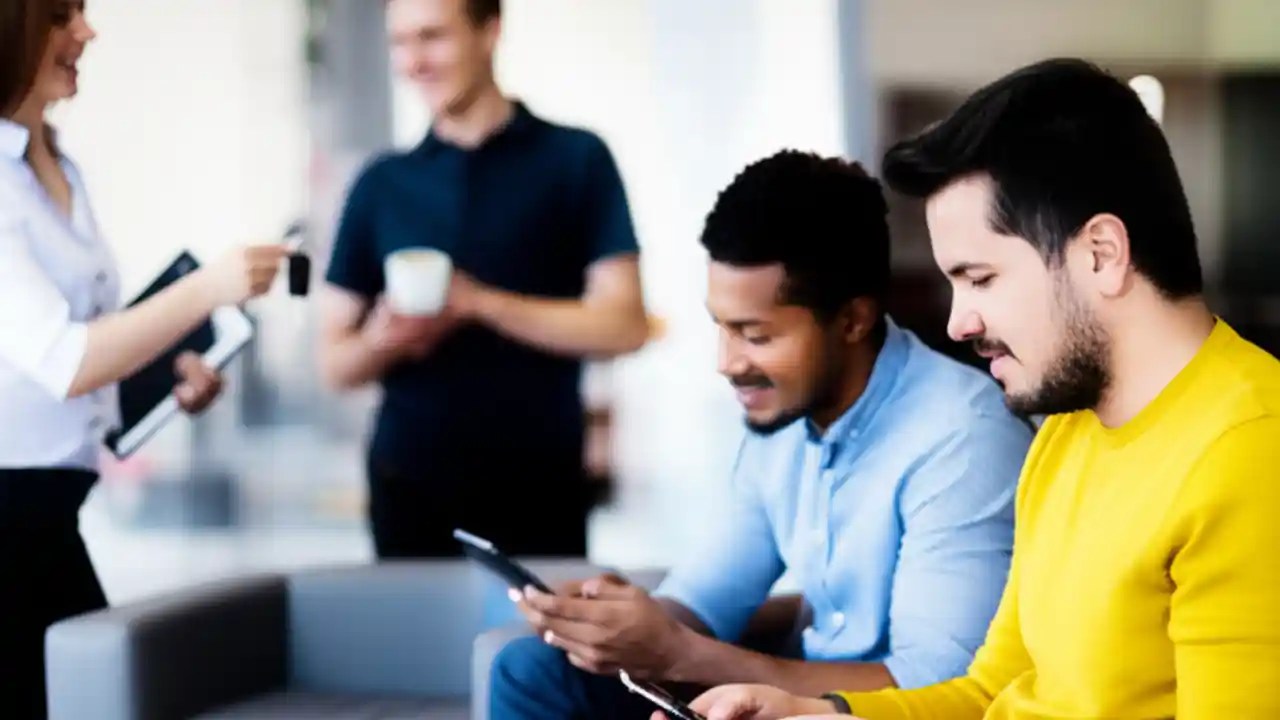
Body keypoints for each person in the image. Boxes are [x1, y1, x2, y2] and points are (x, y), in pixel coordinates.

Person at [672, 59, 1280, 720]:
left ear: (1100, 254)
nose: (960, 322)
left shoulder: (1251, 451)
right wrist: (820, 714)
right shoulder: (1068, 430)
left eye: (981, 278)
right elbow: (990, 692)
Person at [488, 150, 1034, 719]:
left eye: (756, 335)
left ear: (853, 320)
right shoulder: (780, 419)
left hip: (874, 711)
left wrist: (681, 654)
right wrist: (618, 622)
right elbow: (704, 601)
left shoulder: (963, 436)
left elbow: (938, 685)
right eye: (721, 328)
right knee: (533, 669)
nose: (727, 362)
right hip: (789, 688)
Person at [0, 1, 287, 716]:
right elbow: (63, 359)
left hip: (50, 510)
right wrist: (206, 290)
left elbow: (89, 348)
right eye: (63, 15)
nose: (87, 33)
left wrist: (160, 377)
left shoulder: (59, 163)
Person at [318, 0, 647, 560]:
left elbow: (624, 326)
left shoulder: (576, 160)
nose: (413, 60)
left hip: (540, 489)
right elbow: (334, 365)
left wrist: (477, 303)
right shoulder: (381, 184)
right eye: (400, 43)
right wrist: (384, 340)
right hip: (410, 488)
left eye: (432, 37)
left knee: (535, 650)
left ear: (490, 30)